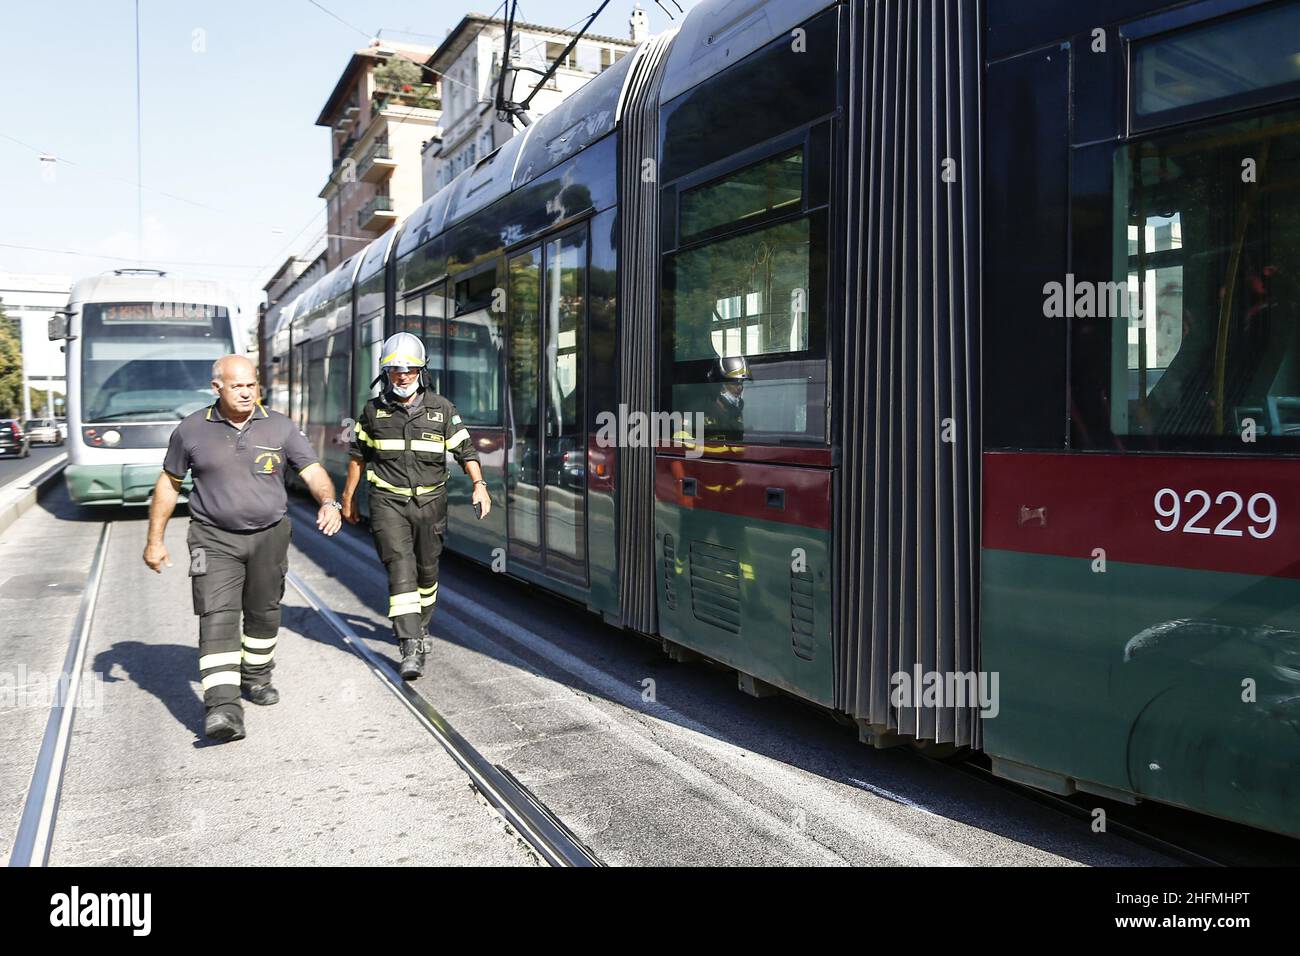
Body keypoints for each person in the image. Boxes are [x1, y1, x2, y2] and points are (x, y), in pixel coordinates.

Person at [143, 354, 342, 743]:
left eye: (252, 385)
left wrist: (328, 501)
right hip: (211, 537)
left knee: (264, 613)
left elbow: (313, 471)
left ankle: (255, 676)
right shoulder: (191, 430)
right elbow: (169, 483)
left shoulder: (280, 427)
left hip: (269, 536)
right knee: (216, 615)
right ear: (216, 387)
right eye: (238, 386)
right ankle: (222, 708)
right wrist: (155, 540)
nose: (247, 392)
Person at [341, 332, 491, 679]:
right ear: (386, 373)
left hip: (431, 503)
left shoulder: (442, 410)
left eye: (409, 369)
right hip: (387, 501)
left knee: (426, 571)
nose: (403, 375)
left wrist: (479, 486)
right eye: (395, 370)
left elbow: (465, 451)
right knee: (400, 567)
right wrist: (347, 498)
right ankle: (408, 643)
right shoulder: (372, 412)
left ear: (421, 371)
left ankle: (421, 626)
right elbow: (357, 457)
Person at [704, 355, 752, 439]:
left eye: (742, 383)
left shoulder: (737, 409)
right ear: (719, 384)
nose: (740, 388)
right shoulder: (700, 410)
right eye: (735, 383)